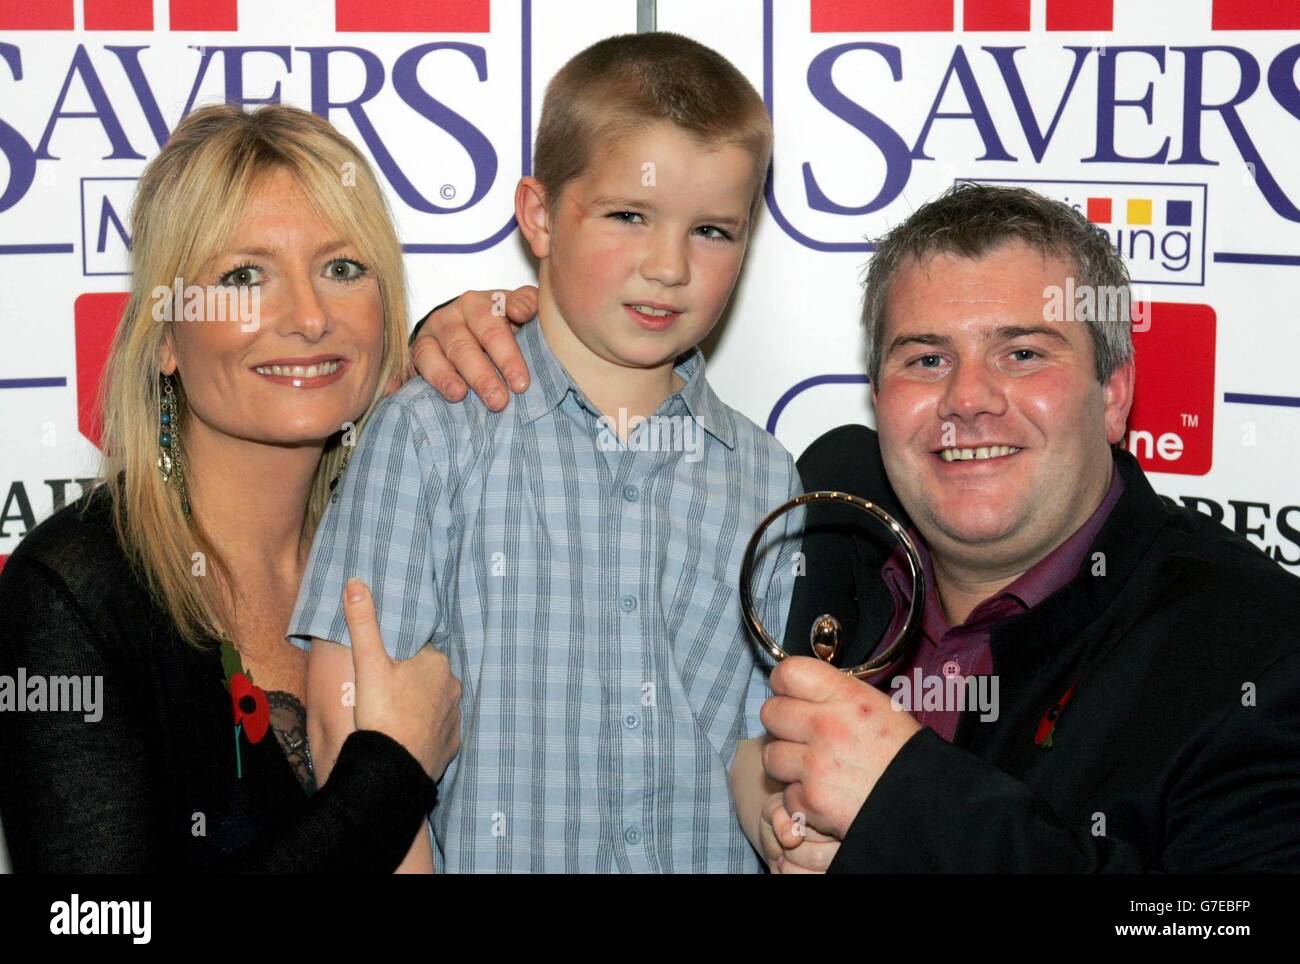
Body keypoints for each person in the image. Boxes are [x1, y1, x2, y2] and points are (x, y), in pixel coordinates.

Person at [408, 181, 1300, 873]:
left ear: (1114, 394)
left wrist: (904, 805)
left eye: (1023, 353)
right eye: (926, 359)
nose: (968, 400)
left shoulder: (1251, 649)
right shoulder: (829, 506)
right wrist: (481, 344)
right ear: (879, 399)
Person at [291, 32, 801, 873]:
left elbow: (754, 743)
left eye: (712, 230)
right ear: (538, 215)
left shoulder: (764, 474)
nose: (669, 266)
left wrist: (789, 828)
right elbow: (346, 730)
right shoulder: (427, 435)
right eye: (628, 216)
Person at [0, 104, 461, 872]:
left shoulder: (416, 544)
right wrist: (390, 773)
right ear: (167, 338)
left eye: (343, 268)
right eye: (244, 277)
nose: (311, 317)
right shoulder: (71, 591)